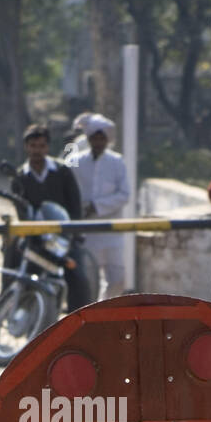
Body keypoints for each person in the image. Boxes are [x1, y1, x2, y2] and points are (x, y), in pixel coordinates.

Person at [11, 123, 92, 309]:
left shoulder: (63, 172)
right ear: (26, 147)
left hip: (63, 237)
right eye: (32, 146)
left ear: (47, 147)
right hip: (35, 237)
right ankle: (10, 307)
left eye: (41, 146)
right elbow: (21, 212)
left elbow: (75, 205)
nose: (37, 151)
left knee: (78, 275)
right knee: (13, 261)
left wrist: (74, 234)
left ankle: (78, 317)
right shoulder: (20, 178)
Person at [68, 114, 131, 298]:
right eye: (94, 137)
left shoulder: (117, 162)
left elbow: (124, 194)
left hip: (112, 231)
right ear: (88, 138)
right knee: (88, 279)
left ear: (107, 139)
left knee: (118, 278)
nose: (98, 141)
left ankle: (107, 307)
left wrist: (97, 206)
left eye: (102, 137)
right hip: (86, 231)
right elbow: (68, 188)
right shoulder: (76, 162)